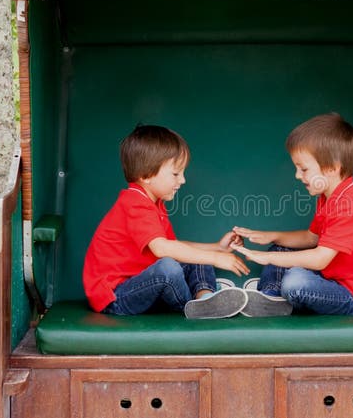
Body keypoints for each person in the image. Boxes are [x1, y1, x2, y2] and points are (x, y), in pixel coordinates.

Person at [232, 112, 353, 317]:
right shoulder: (329, 195)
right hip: (332, 280)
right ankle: (268, 298)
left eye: (304, 169)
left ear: (332, 168)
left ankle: (276, 297)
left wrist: (267, 257)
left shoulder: (351, 204)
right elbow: (312, 238)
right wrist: (271, 236)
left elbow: (319, 259)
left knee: (295, 280)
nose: (297, 175)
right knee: (282, 249)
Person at [83, 124, 249, 319]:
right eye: (176, 174)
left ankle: (206, 298)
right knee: (169, 267)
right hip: (116, 297)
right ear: (146, 175)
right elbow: (162, 250)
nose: (183, 180)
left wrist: (216, 248)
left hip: (140, 285)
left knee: (196, 256)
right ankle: (192, 306)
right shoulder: (134, 204)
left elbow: (174, 247)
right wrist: (216, 258)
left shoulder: (154, 204)